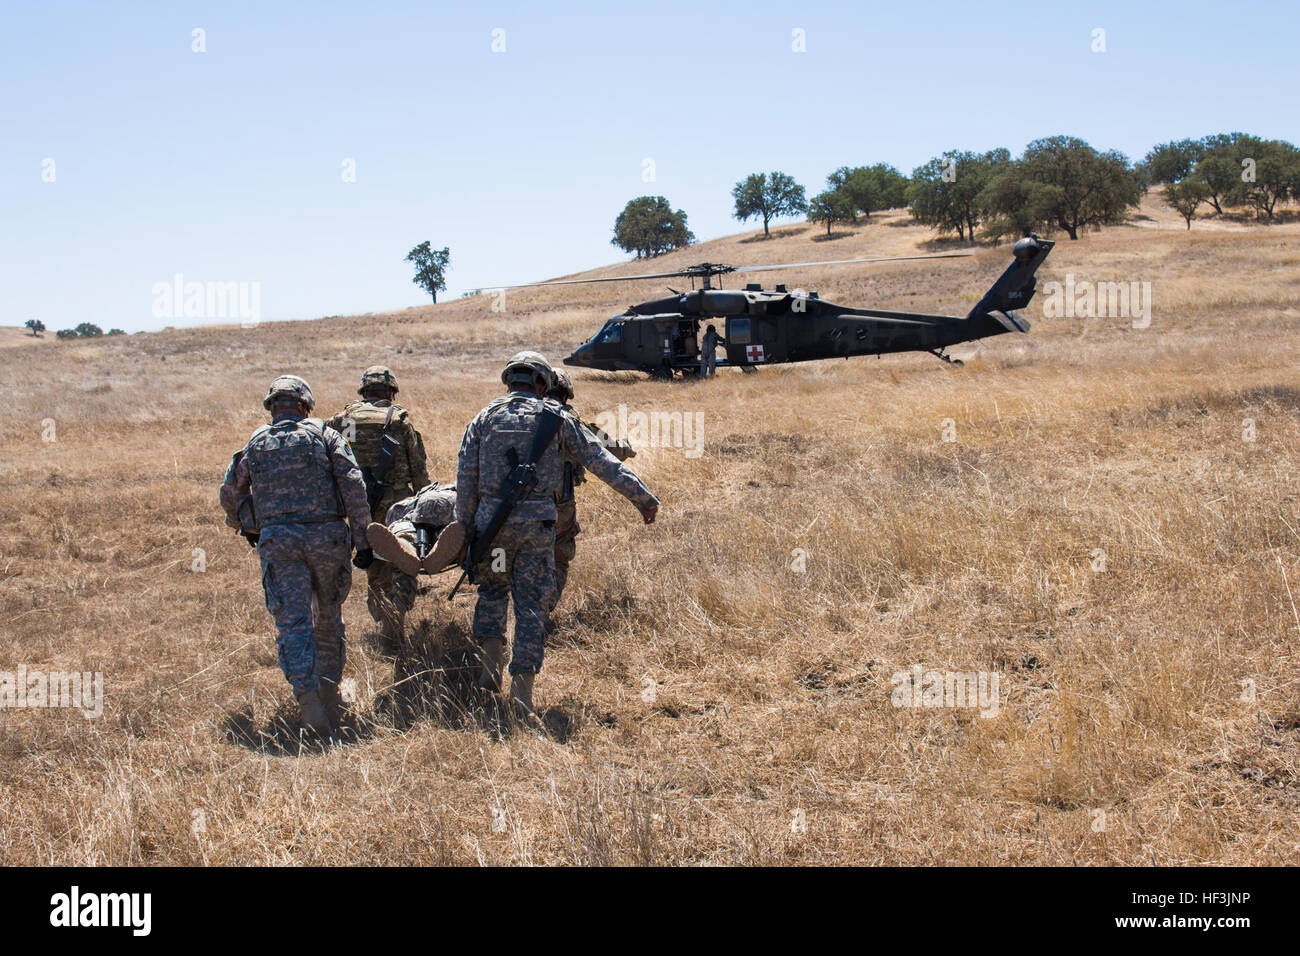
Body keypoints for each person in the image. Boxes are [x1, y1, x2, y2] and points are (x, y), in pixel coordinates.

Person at [456, 351, 659, 723]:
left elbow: (465, 480)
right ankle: (522, 698)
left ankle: (489, 673)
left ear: (508, 381)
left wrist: (465, 531)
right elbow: (601, 461)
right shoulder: (557, 419)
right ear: (541, 384)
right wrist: (642, 497)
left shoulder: (483, 419)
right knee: (531, 605)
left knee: (493, 590)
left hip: (494, 535)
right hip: (536, 533)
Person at [220, 375, 373, 738]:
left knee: (293, 623)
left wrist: (249, 526)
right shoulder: (325, 436)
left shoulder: (256, 442)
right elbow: (353, 485)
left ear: (272, 407)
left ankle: (310, 705)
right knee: (329, 618)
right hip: (327, 539)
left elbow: (230, 493)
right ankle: (330, 693)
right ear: (305, 406)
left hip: (280, 542)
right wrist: (364, 540)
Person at [326, 366, 429, 644]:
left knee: (373, 562)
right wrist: (424, 503)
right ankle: (398, 613)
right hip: (397, 503)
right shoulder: (398, 420)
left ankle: (384, 617)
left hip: (360, 505)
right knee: (402, 558)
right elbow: (418, 468)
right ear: (391, 392)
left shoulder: (341, 421)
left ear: (363, 392)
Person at [546, 369, 636, 607]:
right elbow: (601, 448)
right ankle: (539, 613)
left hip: (511, 505)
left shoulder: (511, 417)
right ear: (565, 394)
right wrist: (625, 449)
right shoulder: (568, 421)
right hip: (557, 505)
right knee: (559, 555)